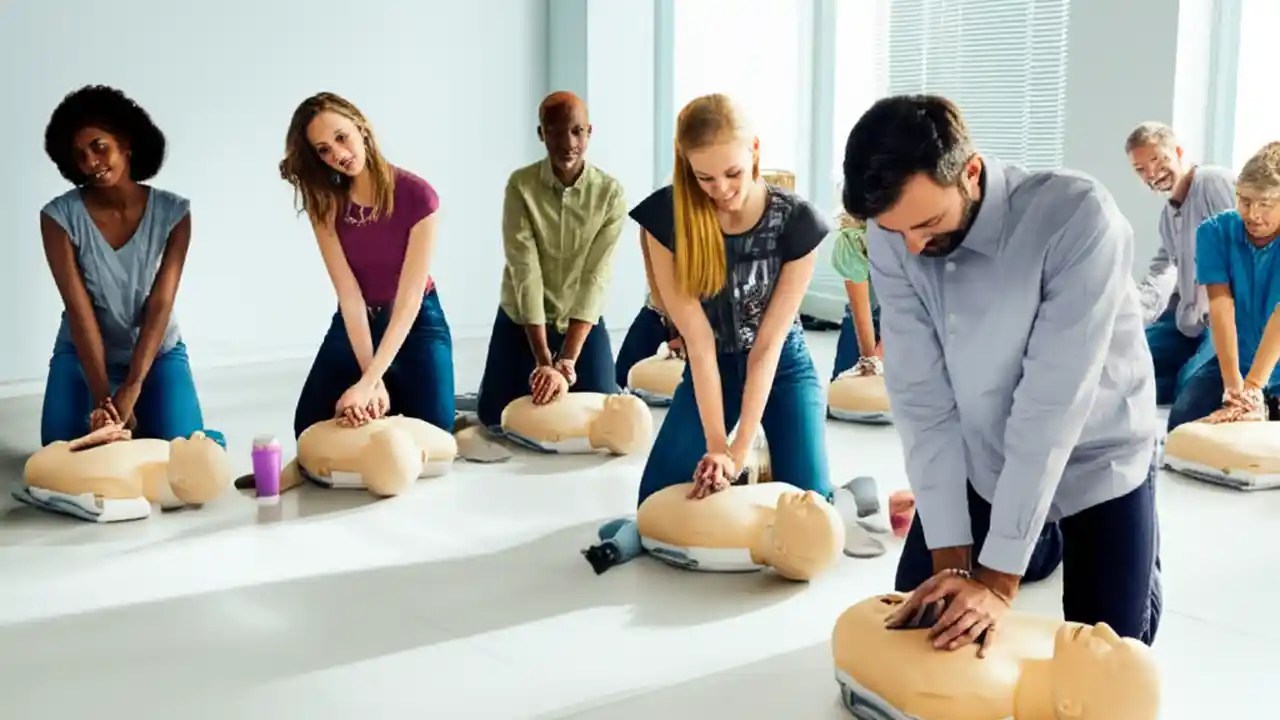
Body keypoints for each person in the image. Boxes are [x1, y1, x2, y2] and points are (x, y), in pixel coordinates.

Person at [842, 94, 1163, 649]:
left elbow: (1050, 409)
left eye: (927, 223)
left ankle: (1120, 550)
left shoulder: (1079, 217)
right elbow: (922, 399)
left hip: (1097, 454)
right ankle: (1036, 537)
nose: (912, 248)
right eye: (897, 234)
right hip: (984, 454)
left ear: (970, 173)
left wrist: (996, 582)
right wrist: (954, 563)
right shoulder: (894, 231)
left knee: (1110, 654)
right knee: (925, 626)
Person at [630, 93, 830, 505]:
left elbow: (767, 347)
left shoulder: (798, 222)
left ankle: (804, 482)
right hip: (712, 362)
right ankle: (751, 474)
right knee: (655, 500)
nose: (720, 190)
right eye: (704, 178)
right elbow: (699, 344)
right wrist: (717, 447)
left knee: (811, 503)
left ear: (754, 150)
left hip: (783, 366)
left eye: (733, 173)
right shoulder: (666, 218)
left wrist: (735, 455)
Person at [38, 85, 221, 447]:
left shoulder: (174, 214)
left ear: (126, 143)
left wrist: (132, 388)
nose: (91, 161)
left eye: (99, 146)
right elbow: (79, 309)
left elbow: (160, 303)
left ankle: (202, 436)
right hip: (82, 355)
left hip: (157, 353)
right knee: (60, 449)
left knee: (183, 447)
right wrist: (104, 399)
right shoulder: (58, 217)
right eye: (80, 155)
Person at [280, 92, 454, 438]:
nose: (339, 155)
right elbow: (349, 295)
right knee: (308, 427)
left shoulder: (419, 198)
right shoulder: (326, 205)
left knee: (436, 430)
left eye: (341, 137)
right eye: (324, 150)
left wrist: (370, 381)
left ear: (361, 127)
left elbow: (408, 300)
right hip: (356, 321)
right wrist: (368, 381)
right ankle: (382, 401)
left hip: (416, 319)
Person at [476, 91, 627, 428]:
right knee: (493, 418)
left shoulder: (611, 194)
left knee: (603, 410)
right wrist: (543, 360)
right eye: (555, 131)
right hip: (522, 319)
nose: (567, 142)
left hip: (580, 320)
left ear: (590, 132)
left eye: (576, 131)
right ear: (541, 133)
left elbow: (595, 277)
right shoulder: (521, 185)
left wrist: (567, 362)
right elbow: (524, 270)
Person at [1168, 141, 1280, 428]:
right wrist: (1233, 385)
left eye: (1265, 204)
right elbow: (1220, 304)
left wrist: (1253, 388)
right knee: (1184, 418)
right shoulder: (1215, 232)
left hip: (1273, 362)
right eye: (1244, 200)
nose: (1253, 214)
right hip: (1236, 358)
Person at [1126, 121, 1236, 406]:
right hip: (1187, 321)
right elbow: (1161, 273)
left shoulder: (1212, 182)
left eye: (1157, 159)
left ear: (1177, 151)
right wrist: (1128, 314)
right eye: (1140, 169)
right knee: (1123, 369)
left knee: (1190, 398)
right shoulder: (1169, 217)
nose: (1151, 173)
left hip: (1225, 319)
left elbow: (1240, 246)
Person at [828, 211, 882, 380]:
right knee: (847, 393)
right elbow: (860, 304)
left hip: (913, 320)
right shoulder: (854, 235)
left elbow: (908, 305)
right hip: (863, 321)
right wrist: (870, 362)